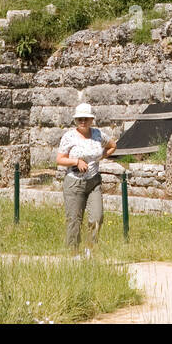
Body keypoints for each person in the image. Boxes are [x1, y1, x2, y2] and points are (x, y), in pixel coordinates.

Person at [57, 103, 116, 253]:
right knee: (74, 220)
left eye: (86, 119)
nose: (83, 121)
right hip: (74, 182)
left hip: (93, 181)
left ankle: (89, 250)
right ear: (76, 121)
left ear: (91, 120)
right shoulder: (69, 136)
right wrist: (76, 161)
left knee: (97, 217)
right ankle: (73, 253)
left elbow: (112, 145)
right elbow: (60, 159)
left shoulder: (97, 134)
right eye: (79, 119)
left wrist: (99, 158)